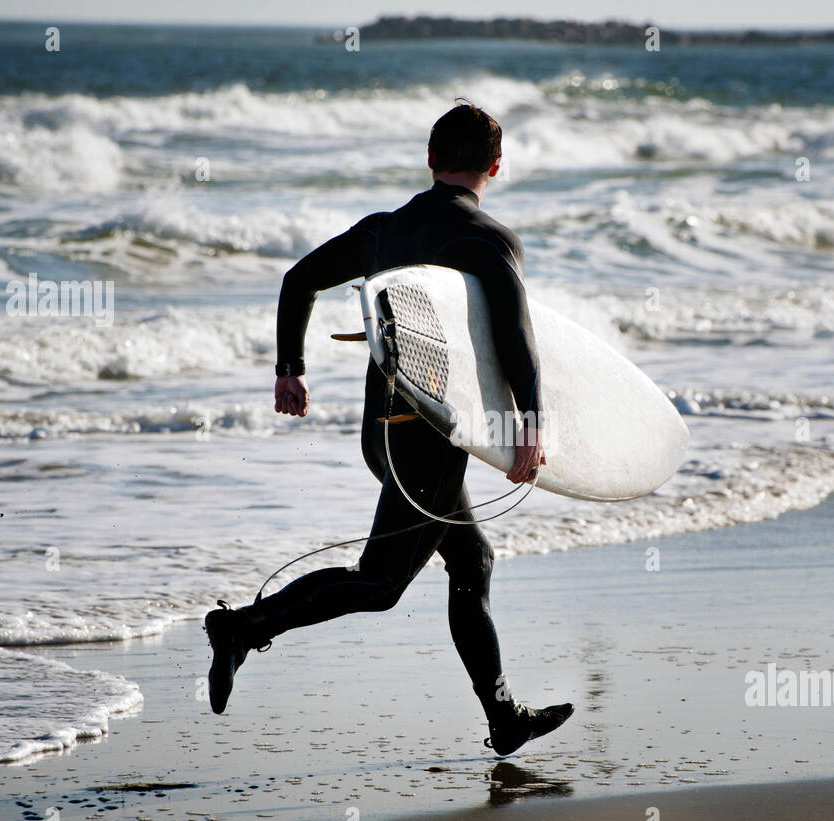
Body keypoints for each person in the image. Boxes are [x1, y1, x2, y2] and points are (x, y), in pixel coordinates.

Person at [204, 101, 574, 758]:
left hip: (382, 433)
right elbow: (517, 340)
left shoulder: (383, 233)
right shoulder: (489, 241)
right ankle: (240, 628)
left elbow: (299, 280)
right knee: (380, 582)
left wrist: (290, 369)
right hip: (430, 437)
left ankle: (503, 716)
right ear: (495, 166)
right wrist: (532, 422)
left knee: (471, 559)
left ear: (431, 159)